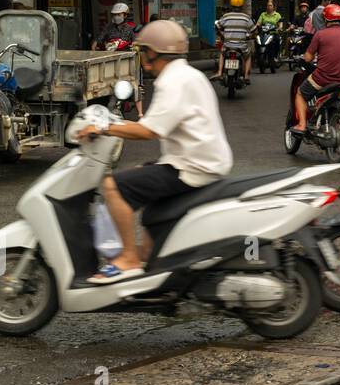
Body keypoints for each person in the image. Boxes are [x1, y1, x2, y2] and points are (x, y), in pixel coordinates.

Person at [75, 20, 232, 283]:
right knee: (141, 174)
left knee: (114, 186)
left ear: (154, 53)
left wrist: (104, 127)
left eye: (143, 51)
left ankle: (128, 258)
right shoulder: (190, 75)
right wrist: (112, 125)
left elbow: (149, 130)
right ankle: (149, 255)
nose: (143, 58)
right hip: (197, 161)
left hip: (192, 167)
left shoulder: (173, 81)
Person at [295, 2, 340, 134]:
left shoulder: (320, 34)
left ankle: (301, 125)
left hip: (322, 79)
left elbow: (308, 58)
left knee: (300, 94)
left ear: (325, 19)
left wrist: (305, 56)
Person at [214, 0, 256, 84]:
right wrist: (250, 37)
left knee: (222, 53)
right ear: (242, 6)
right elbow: (253, 30)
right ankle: (246, 76)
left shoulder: (226, 16)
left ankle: (219, 72)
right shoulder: (246, 17)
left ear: (231, 5)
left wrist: (222, 35)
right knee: (248, 56)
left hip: (228, 45)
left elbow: (217, 27)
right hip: (241, 47)